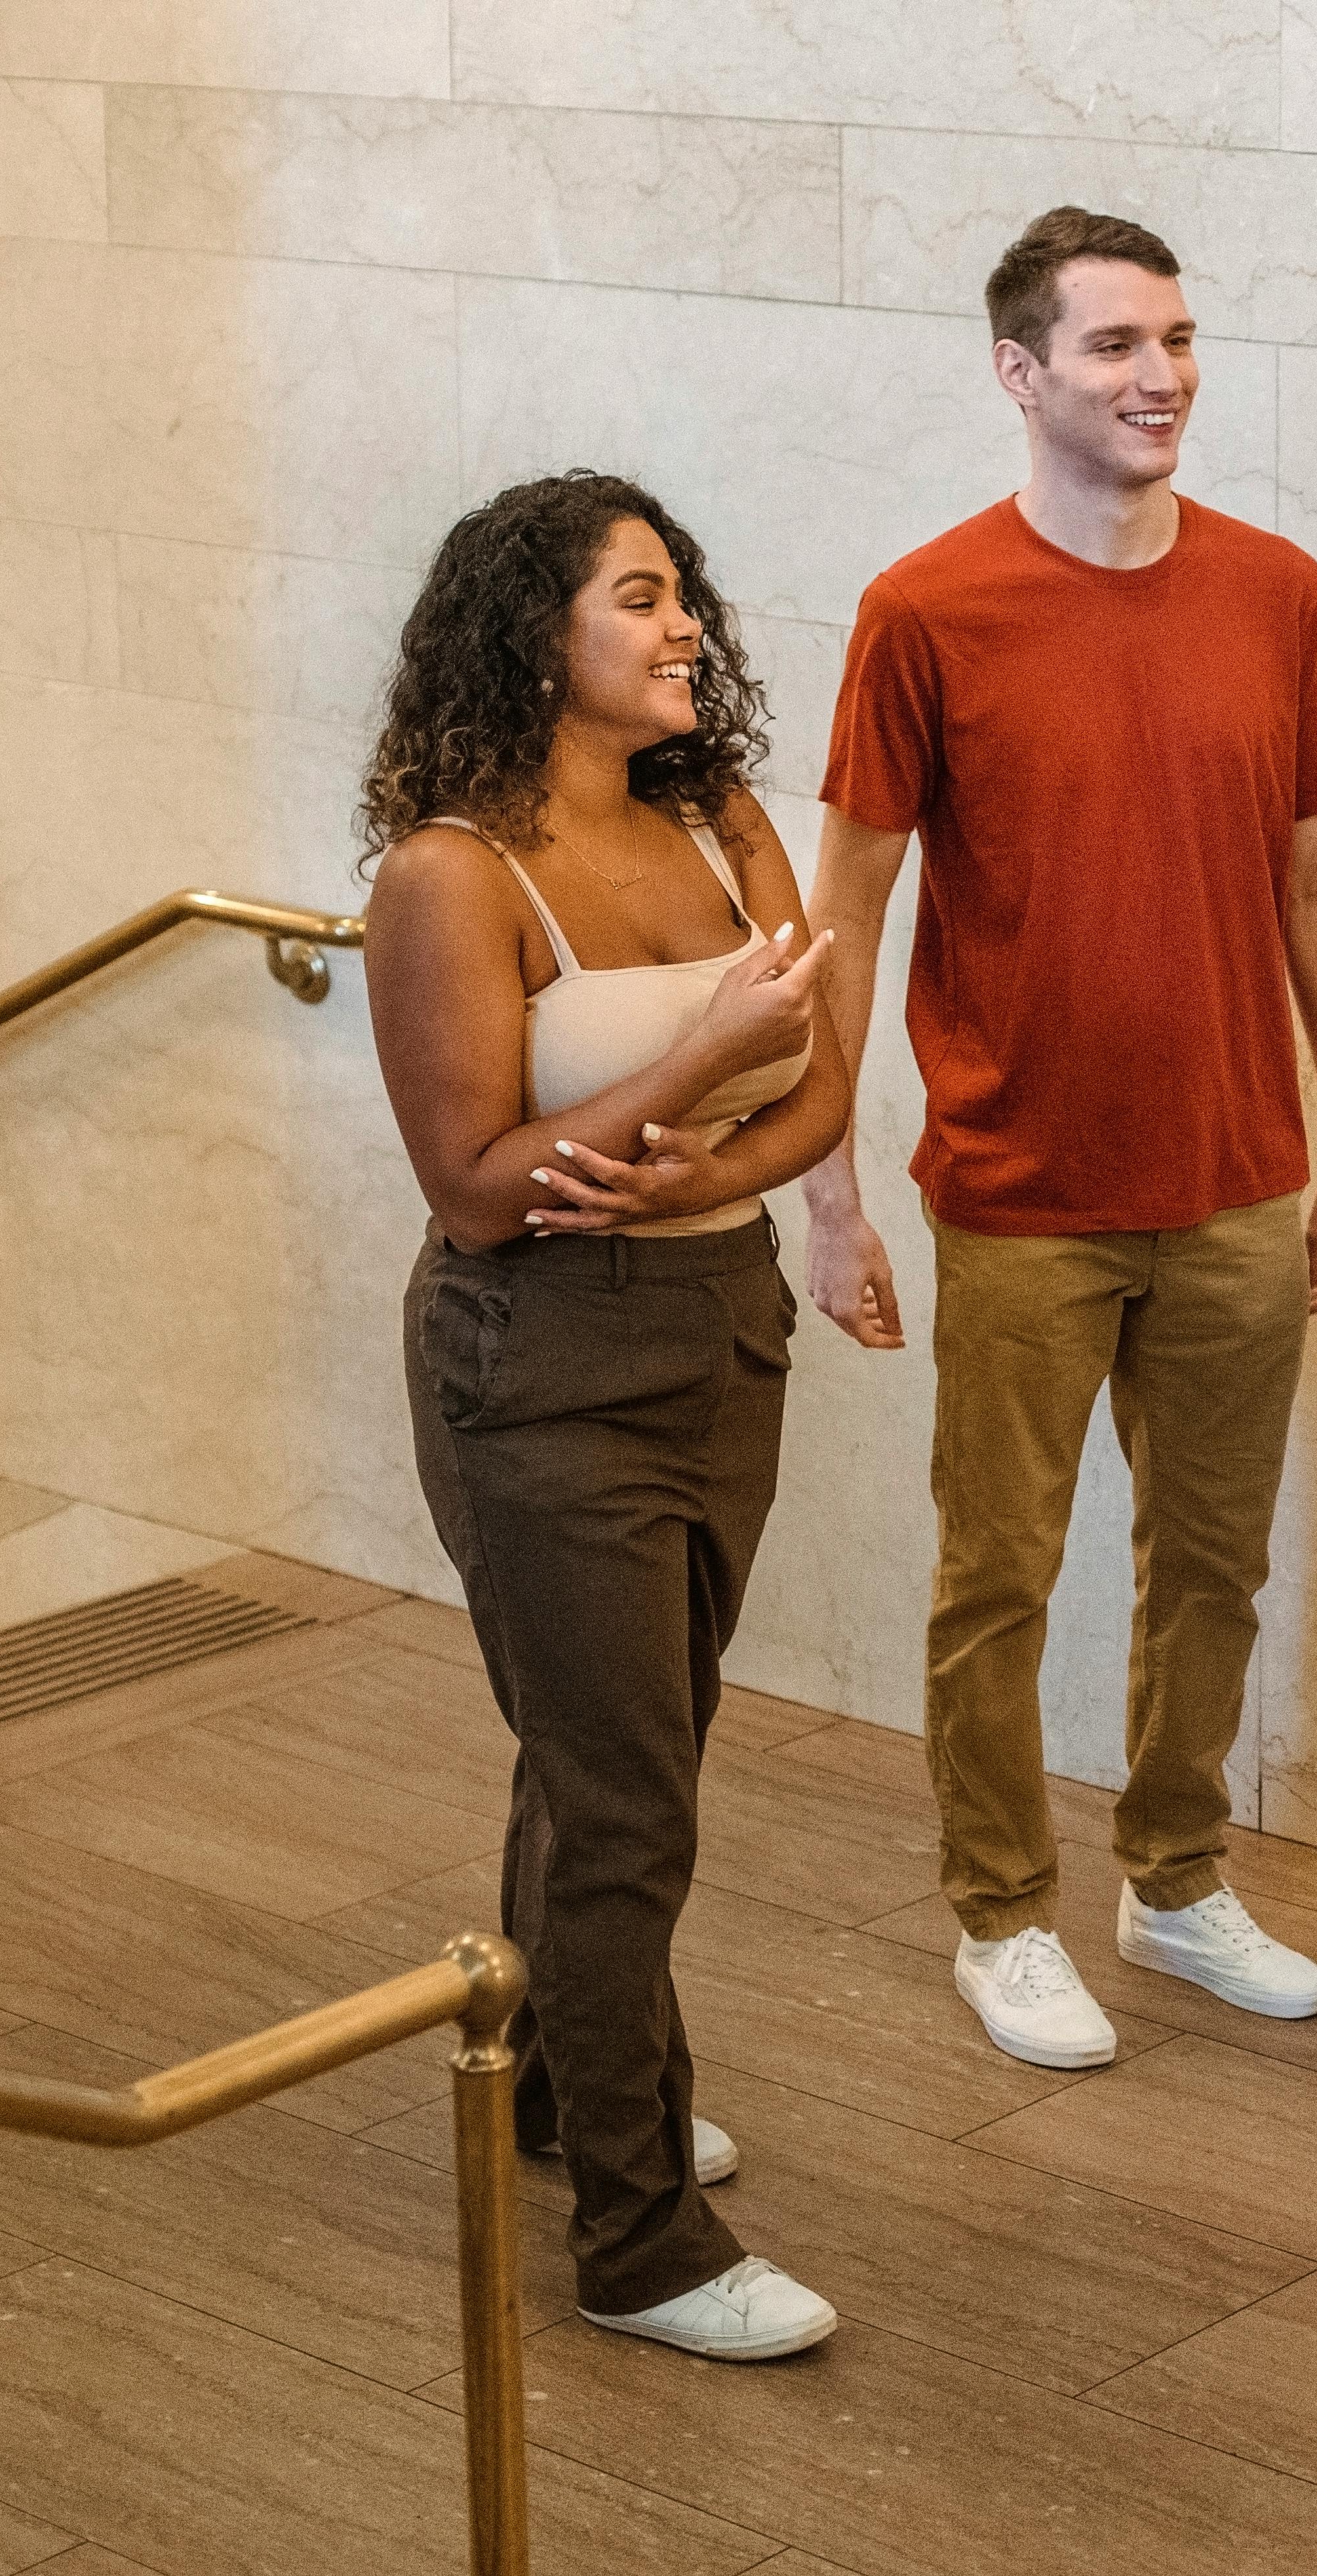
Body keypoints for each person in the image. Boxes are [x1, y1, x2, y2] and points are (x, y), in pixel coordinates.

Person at [793, 207, 1317, 2069]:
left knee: (1214, 1565)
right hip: (1020, 1197)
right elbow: (850, 912)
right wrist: (826, 1191)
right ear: (1021, 374)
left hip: (1231, 1184)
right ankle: (998, 1912)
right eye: (1119, 347)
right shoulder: (925, 611)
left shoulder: (1275, 592)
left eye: (1182, 340)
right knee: (1001, 1573)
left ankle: (1177, 1881)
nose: (1164, 379)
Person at [361, 471, 849, 2361]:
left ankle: (564, 2100)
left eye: (686, 601)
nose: (686, 633)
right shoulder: (449, 879)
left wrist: (707, 1135)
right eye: (641, 601)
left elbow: (818, 1097)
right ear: (531, 634)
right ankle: (644, 2242)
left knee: (622, 1756)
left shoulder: (724, 825)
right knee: (626, 1799)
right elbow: (479, 1183)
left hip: (721, 1336)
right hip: (537, 1369)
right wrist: (692, 1067)